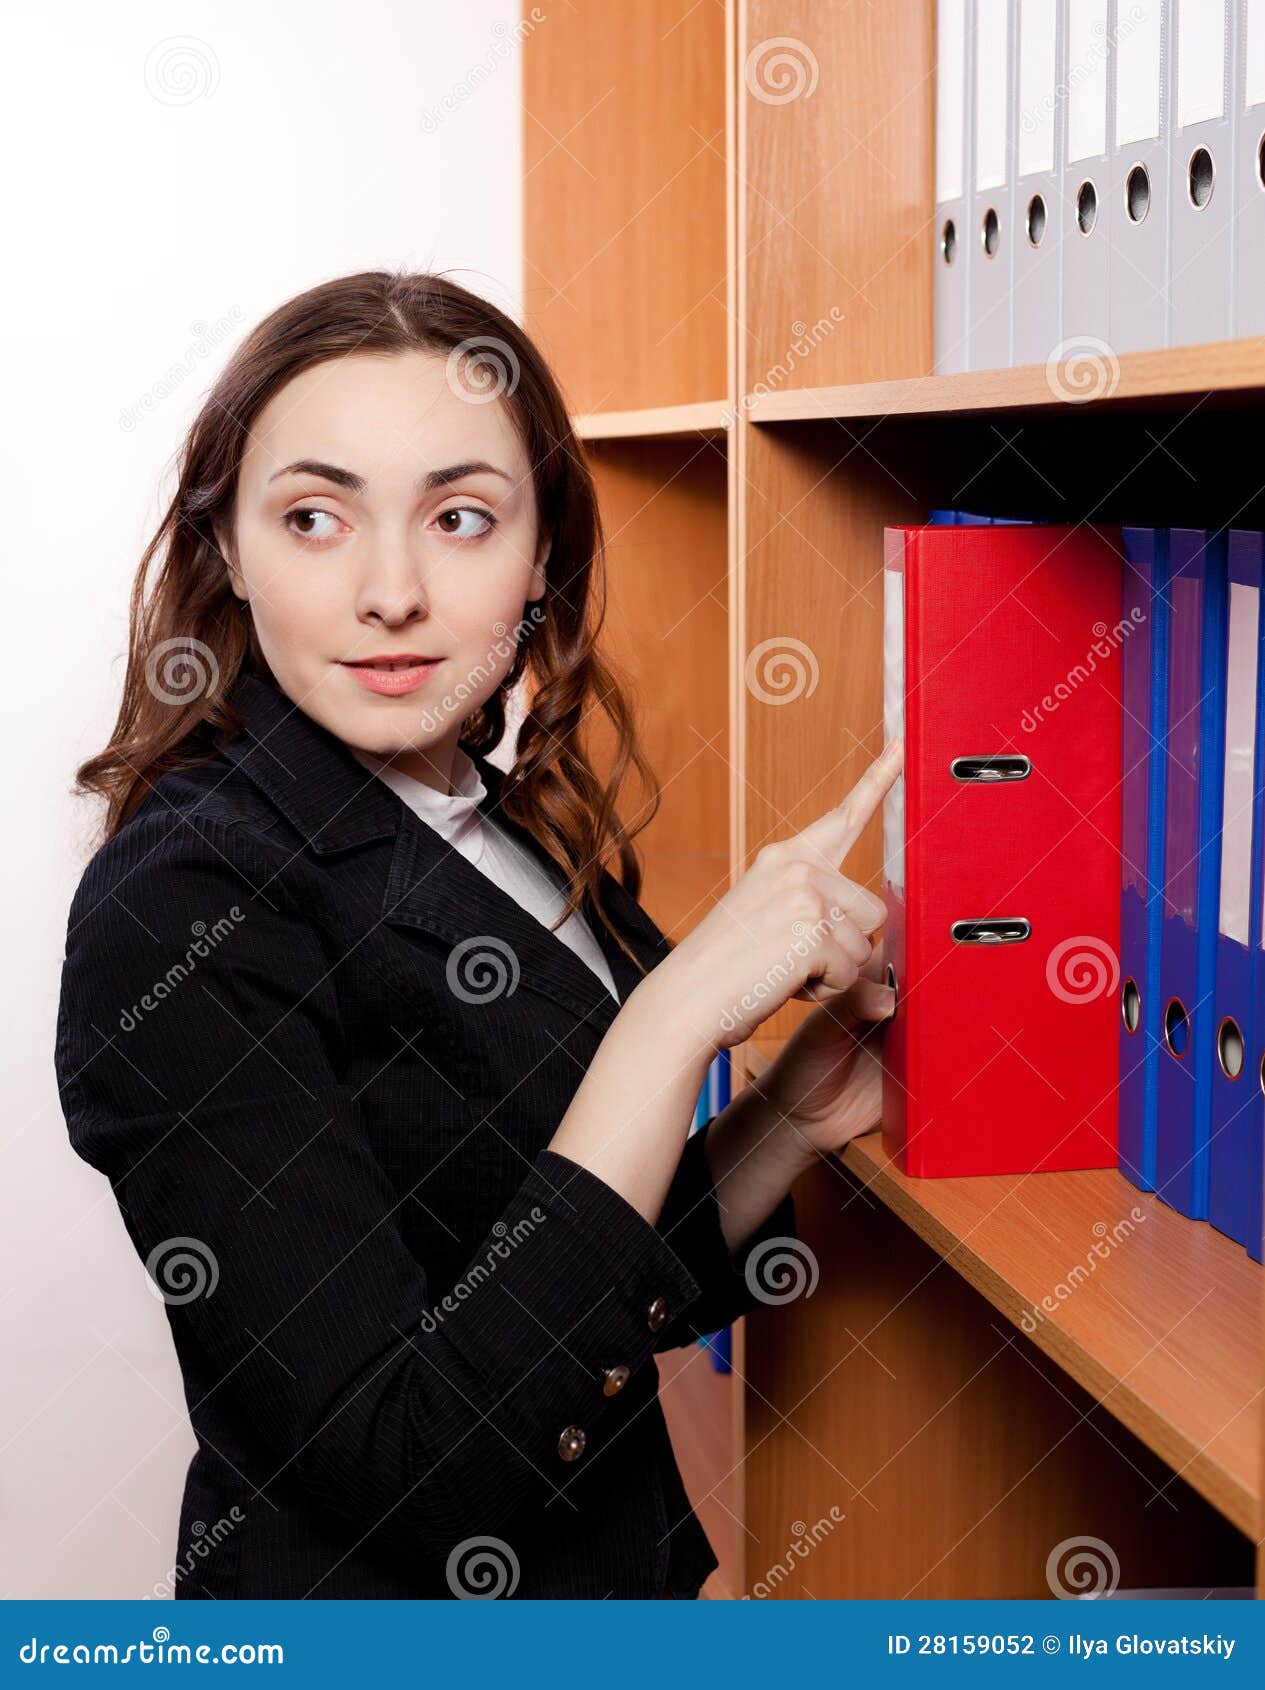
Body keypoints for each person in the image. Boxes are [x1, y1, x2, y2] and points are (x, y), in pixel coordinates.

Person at [54, 269, 903, 1599]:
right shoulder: (183, 905)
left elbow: (570, 1286)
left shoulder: (487, 813)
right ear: (231, 549)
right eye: (316, 516)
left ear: (542, 551)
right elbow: (420, 1466)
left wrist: (782, 1122)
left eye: (459, 517)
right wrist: (674, 1014)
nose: (391, 591)